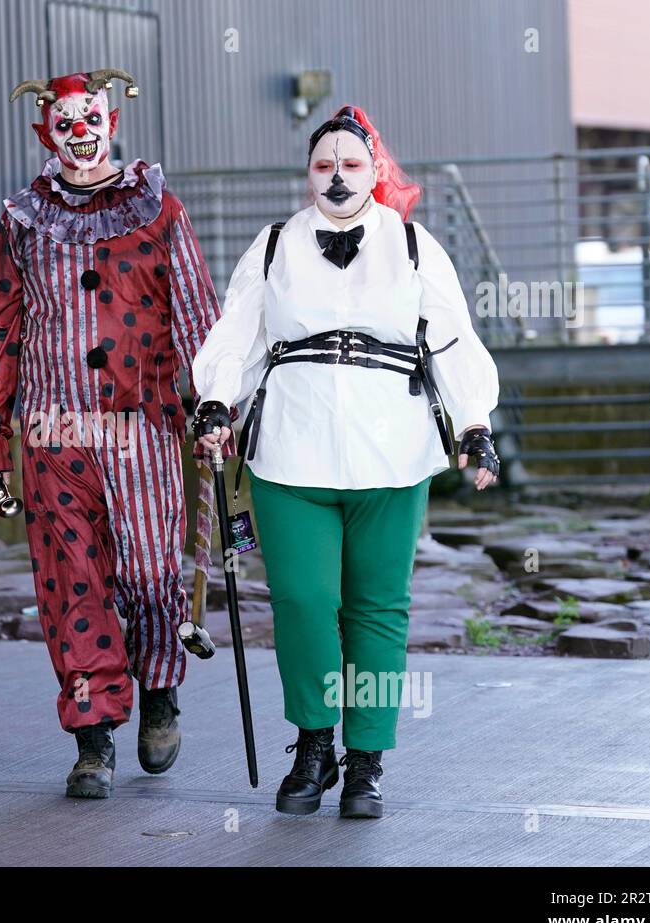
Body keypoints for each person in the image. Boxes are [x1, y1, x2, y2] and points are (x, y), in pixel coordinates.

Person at [191, 106, 500, 818]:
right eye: (323, 165)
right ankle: (313, 744)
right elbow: (237, 330)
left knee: (377, 611)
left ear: (374, 171)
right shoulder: (273, 246)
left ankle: (367, 760)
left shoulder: (415, 247)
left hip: (392, 453)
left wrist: (474, 424)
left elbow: (452, 341)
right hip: (291, 456)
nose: (336, 176)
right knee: (302, 603)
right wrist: (216, 401)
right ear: (308, 174)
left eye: (351, 165)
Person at [0, 69, 221, 798]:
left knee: (147, 571)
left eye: (90, 119)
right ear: (46, 132)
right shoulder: (21, 219)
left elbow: (198, 311)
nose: (79, 133)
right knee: (71, 583)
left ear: (112, 122)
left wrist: (215, 404)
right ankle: (93, 735)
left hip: (142, 428)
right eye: (63, 123)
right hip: (51, 431)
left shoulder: (159, 209)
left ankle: (160, 686)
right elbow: (0, 327)